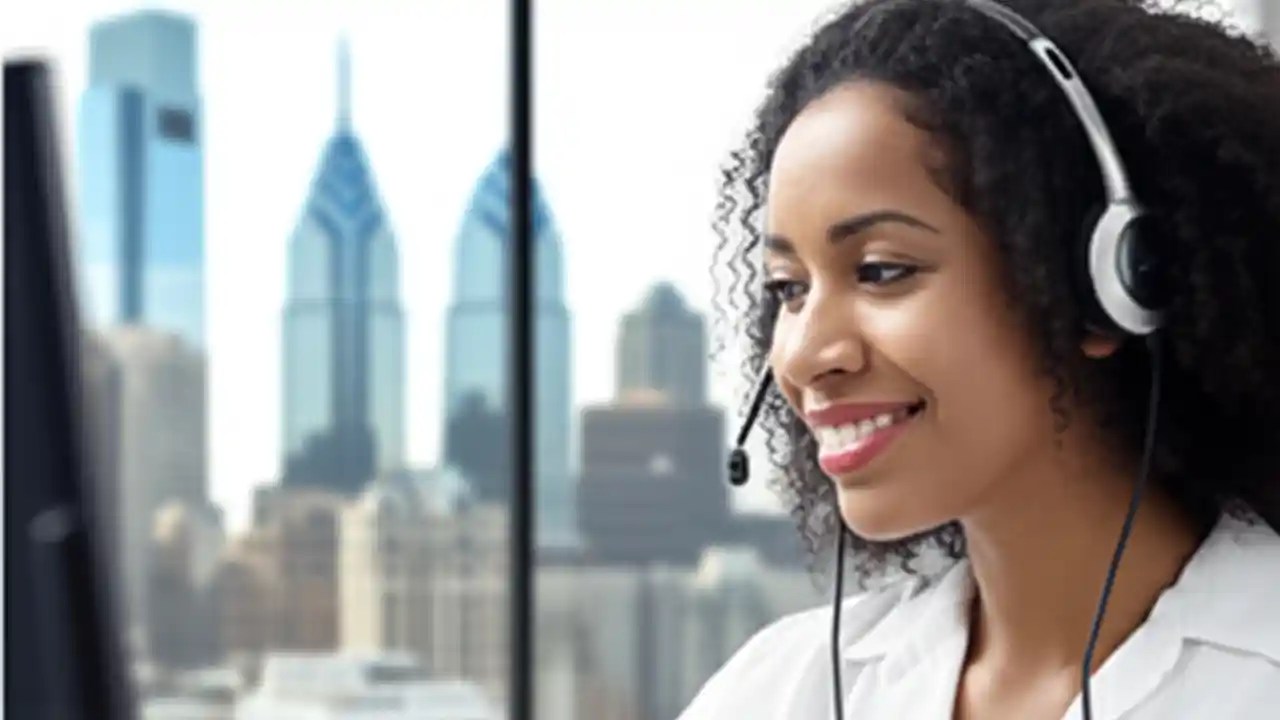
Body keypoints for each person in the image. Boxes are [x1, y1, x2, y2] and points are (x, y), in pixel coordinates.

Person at [679, 0, 1280, 718]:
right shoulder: (781, 691)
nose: (807, 354)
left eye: (879, 270)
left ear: (1102, 285)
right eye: (789, 289)